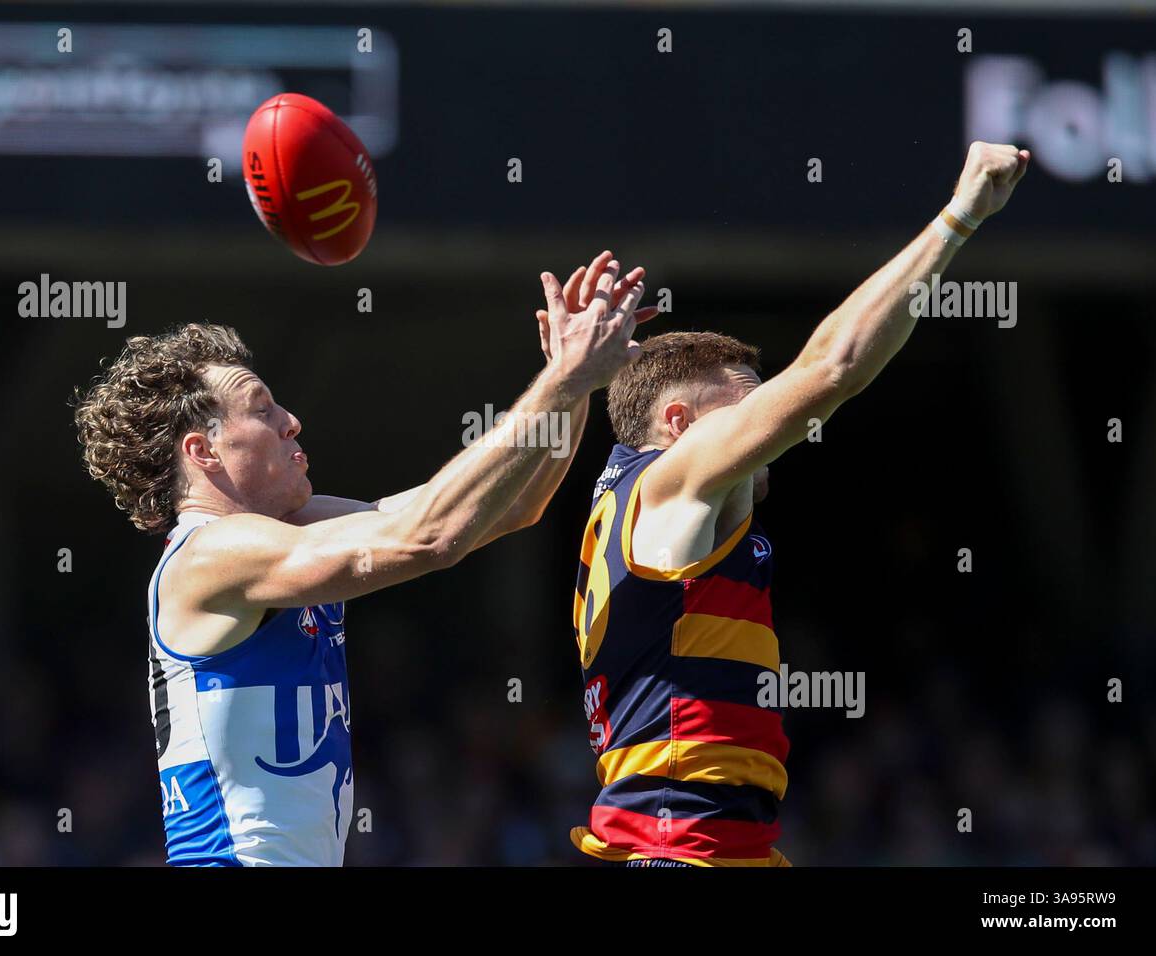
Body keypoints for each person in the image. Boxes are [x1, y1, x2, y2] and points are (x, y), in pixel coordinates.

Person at [72, 253, 651, 865]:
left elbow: (507, 509)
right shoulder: (211, 553)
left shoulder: (284, 531)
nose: (292, 422)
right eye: (262, 408)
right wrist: (561, 379)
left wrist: (576, 383)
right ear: (204, 449)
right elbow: (432, 537)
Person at [569, 143, 1030, 866]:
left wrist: (569, 381)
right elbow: (832, 368)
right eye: (749, 399)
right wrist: (960, 216)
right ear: (681, 424)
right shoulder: (668, 483)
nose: (769, 420)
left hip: (723, 845)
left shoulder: (623, 510)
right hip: (684, 851)